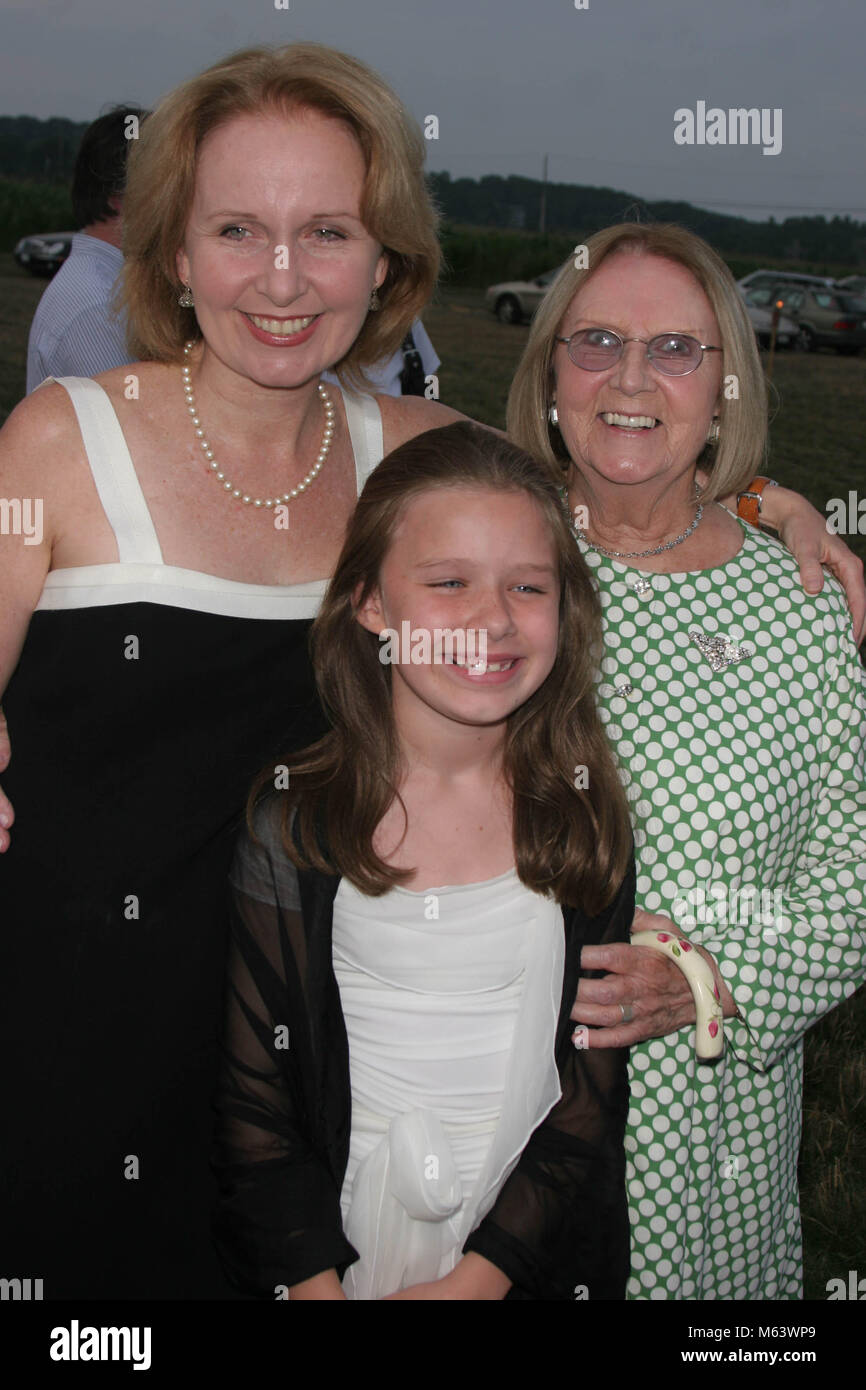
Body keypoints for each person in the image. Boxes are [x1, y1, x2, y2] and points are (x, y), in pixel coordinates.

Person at [0, 41, 860, 1299]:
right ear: (173, 252)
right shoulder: (54, 448)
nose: (283, 278)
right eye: (238, 228)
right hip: (89, 1045)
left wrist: (776, 503)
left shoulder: (412, 456)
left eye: (330, 232)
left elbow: (609, 472)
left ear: (386, 258)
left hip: (328, 1077)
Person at [506, 220, 866, 1299]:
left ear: (726, 387)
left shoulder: (799, 605)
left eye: (674, 350)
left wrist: (705, 976)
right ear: (549, 369)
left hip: (703, 1136)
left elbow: (853, 882)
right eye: (594, 339)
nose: (628, 379)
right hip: (489, 1111)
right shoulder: (477, 557)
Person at [213, 421, 635, 1300]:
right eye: (449, 583)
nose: (494, 620)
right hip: (340, 1246)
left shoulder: (581, 816)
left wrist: (479, 1283)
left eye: (529, 585)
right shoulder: (295, 826)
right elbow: (258, 1107)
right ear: (369, 603)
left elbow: (587, 1096)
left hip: (522, 1259)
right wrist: (313, 1283)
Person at [26, 105, 146, 392]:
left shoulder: (107, 290)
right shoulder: (99, 309)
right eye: (164, 185)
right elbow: (130, 428)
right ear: (118, 199)